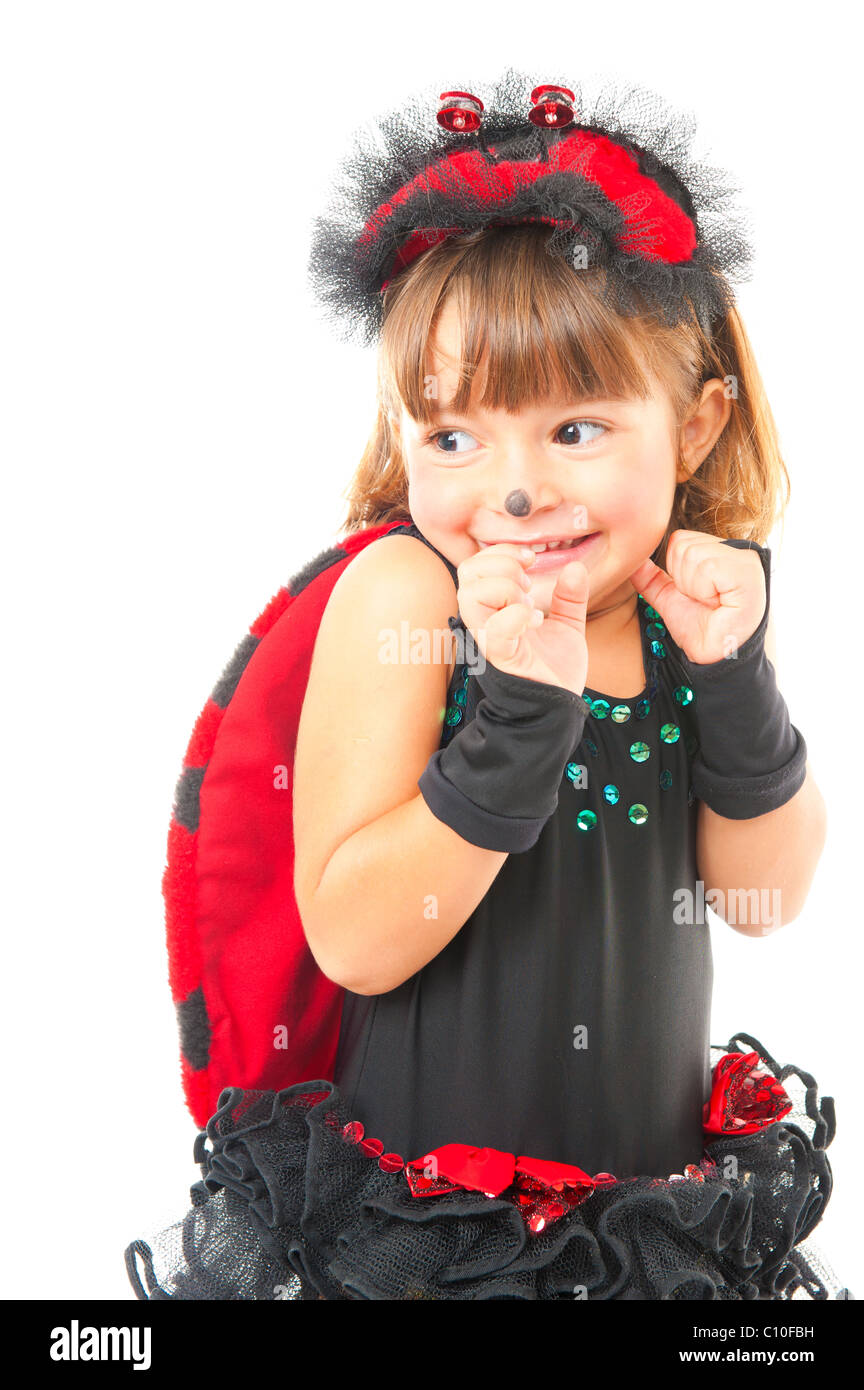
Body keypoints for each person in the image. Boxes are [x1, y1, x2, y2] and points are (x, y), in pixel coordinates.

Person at [124, 69, 848, 1300]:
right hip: (427, 1228)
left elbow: (767, 899)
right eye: (455, 438)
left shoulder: (686, 613)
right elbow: (354, 941)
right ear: (403, 438)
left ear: (700, 423)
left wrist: (735, 685)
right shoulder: (413, 602)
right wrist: (517, 713)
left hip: (643, 1230)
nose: (513, 490)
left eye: (575, 430)